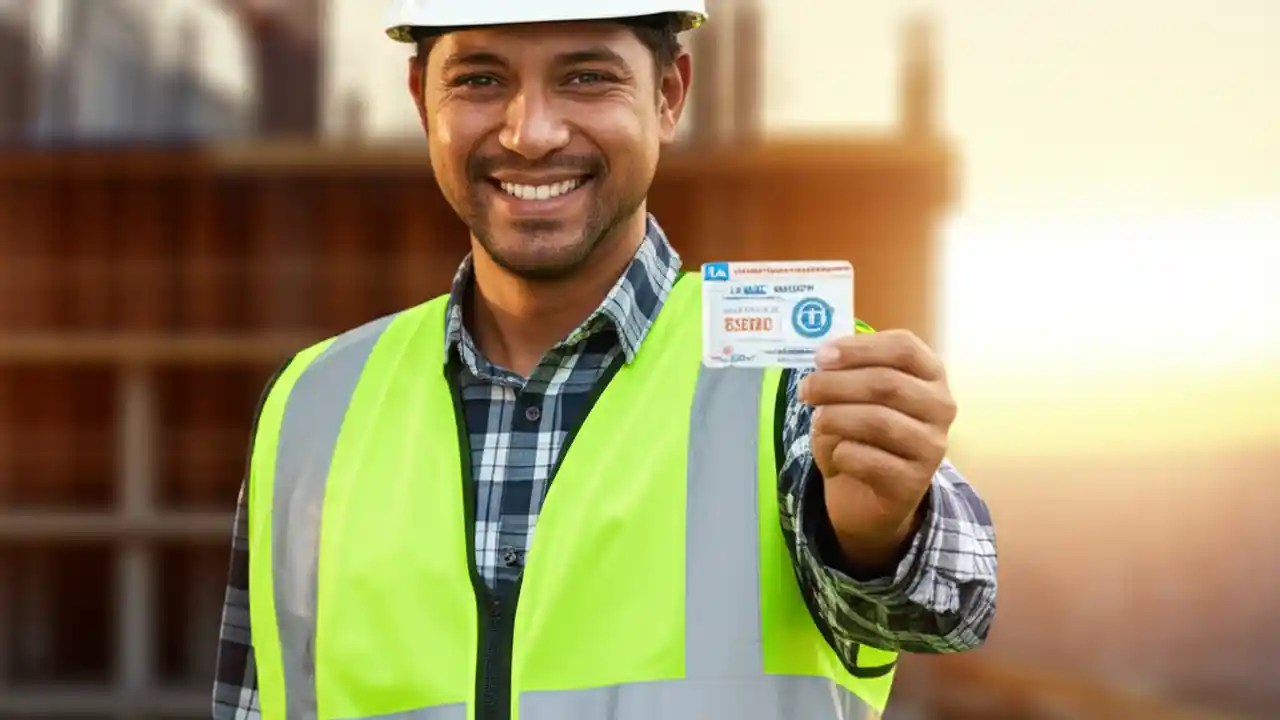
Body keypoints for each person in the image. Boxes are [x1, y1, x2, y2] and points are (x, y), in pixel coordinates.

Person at [212, 1, 997, 718]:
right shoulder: (314, 402)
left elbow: (947, 602)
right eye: (481, 79)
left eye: (586, 77)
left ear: (668, 94)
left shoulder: (792, 372)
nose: (531, 131)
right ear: (423, 101)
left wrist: (880, 532)